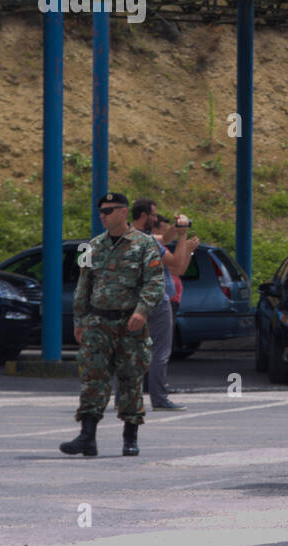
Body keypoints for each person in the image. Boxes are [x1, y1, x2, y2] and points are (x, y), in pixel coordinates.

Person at [60, 192, 166, 458]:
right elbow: (84, 286)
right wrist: (80, 320)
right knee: (93, 378)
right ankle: (87, 437)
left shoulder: (144, 245)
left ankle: (130, 436)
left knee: (131, 378)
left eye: (108, 211)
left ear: (123, 212)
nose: (103, 216)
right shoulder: (93, 246)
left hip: (130, 323)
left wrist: (142, 310)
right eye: (101, 212)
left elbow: (154, 282)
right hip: (98, 321)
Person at [130, 201, 198, 411]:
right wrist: (184, 237)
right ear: (144, 216)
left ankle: (125, 397)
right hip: (156, 300)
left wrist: (175, 230)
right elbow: (177, 264)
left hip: (132, 300)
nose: (156, 219)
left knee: (131, 350)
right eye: (154, 215)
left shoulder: (128, 237)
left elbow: (164, 238)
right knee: (160, 350)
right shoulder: (149, 242)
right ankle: (159, 398)